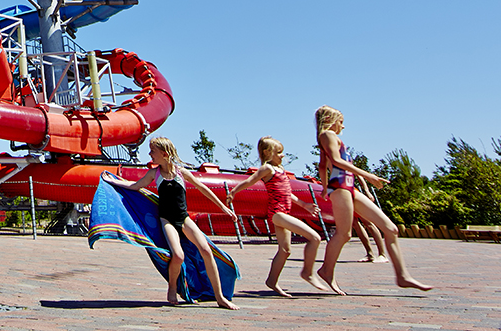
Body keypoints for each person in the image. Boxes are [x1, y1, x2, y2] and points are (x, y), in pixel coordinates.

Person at [104, 136, 239, 309]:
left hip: (183, 218)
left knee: (206, 250)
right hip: (166, 220)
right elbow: (136, 186)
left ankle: (220, 297)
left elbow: (203, 188)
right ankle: (173, 287)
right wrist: (114, 181)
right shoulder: (155, 173)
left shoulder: (181, 173)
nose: (150, 154)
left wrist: (224, 208)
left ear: (164, 153)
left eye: (153, 151)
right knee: (178, 255)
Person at [314, 106, 431, 294]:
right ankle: (326, 271)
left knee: (391, 229)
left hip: (347, 187)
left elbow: (322, 165)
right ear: (331, 119)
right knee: (344, 234)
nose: (343, 126)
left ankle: (402, 276)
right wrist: (368, 176)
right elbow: (335, 161)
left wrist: (325, 186)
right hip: (341, 188)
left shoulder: (331, 138)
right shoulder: (327, 135)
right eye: (341, 121)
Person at [226, 137, 327, 297]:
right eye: (279, 152)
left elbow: (288, 193)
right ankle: (308, 272)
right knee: (314, 238)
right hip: (277, 213)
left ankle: (272, 281)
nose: (282, 156)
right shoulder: (267, 169)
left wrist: (304, 205)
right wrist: (233, 192)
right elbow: (250, 180)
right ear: (267, 152)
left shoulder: (280, 169)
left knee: (285, 250)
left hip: (284, 212)